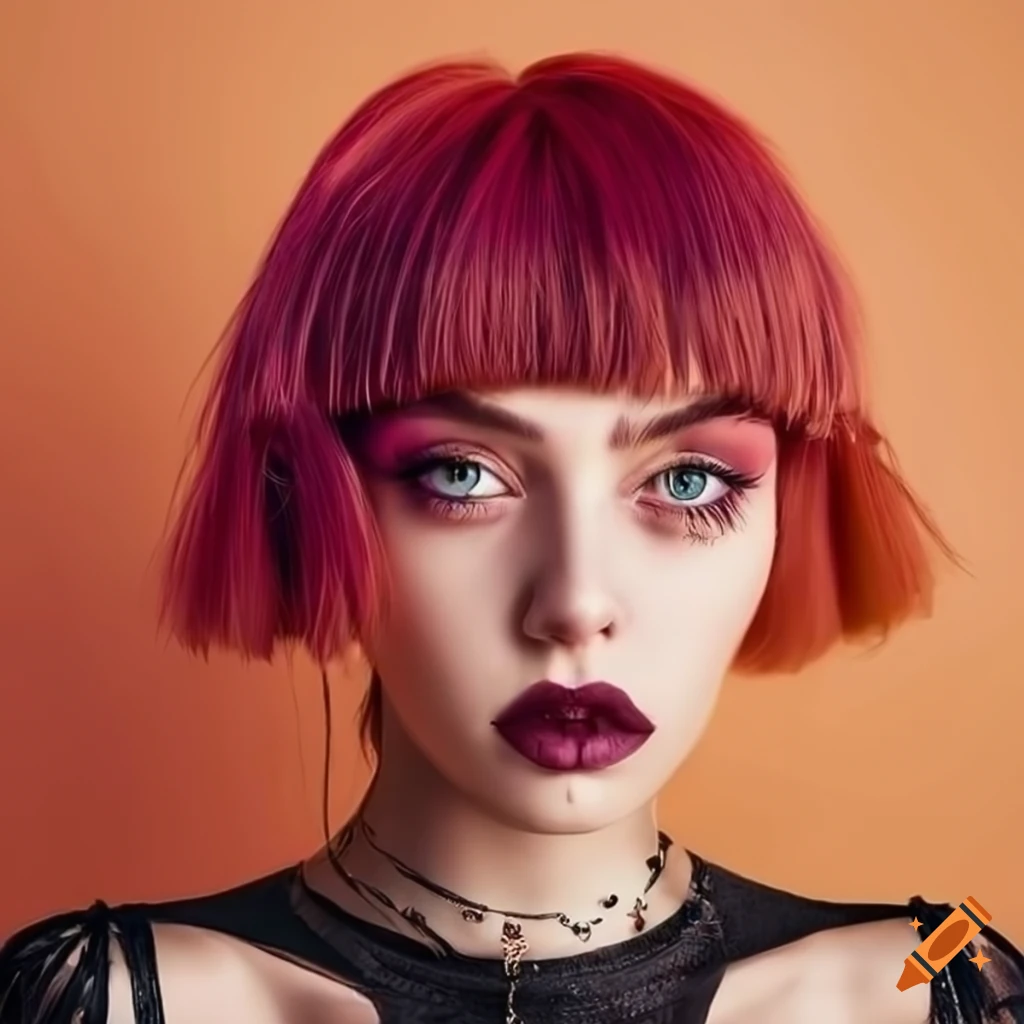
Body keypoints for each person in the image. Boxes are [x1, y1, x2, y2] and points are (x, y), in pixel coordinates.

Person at [0, 51, 1021, 1024]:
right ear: (304, 496)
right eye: (460, 473)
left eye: (686, 478)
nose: (575, 602)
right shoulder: (117, 1001)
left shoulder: (923, 987)